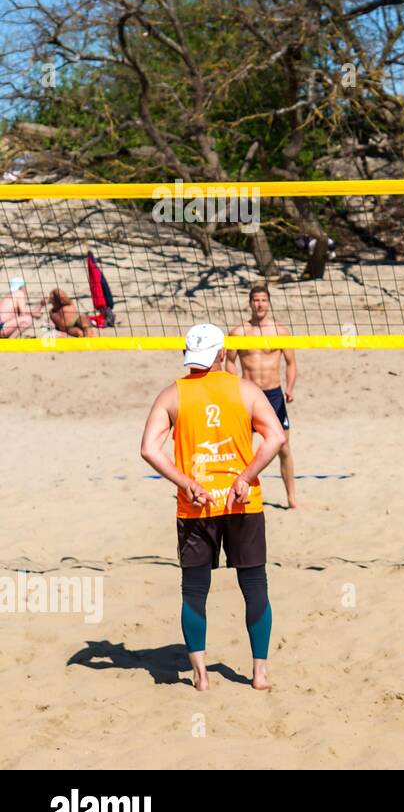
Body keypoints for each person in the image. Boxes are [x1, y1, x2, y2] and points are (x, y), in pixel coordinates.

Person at [139, 323, 285, 691]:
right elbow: (276, 437)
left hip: (195, 503)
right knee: (254, 585)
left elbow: (148, 449)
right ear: (223, 354)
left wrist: (185, 482)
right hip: (241, 501)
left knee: (194, 590)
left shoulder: (172, 395)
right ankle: (259, 674)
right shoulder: (246, 390)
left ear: (189, 357)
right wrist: (245, 477)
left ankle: (201, 677)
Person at [224, 285, 300, 508]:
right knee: (243, 448)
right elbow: (230, 362)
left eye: (264, 300)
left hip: (274, 395)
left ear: (269, 303)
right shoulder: (238, 332)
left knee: (283, 447)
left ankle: (291, 499)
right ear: (250, 303)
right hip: (247, 395)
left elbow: (291, 363)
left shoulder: (280, 331)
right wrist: (233, 387)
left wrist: (291, 387)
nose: (259, 304)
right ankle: (239, 494)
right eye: (256, 300)